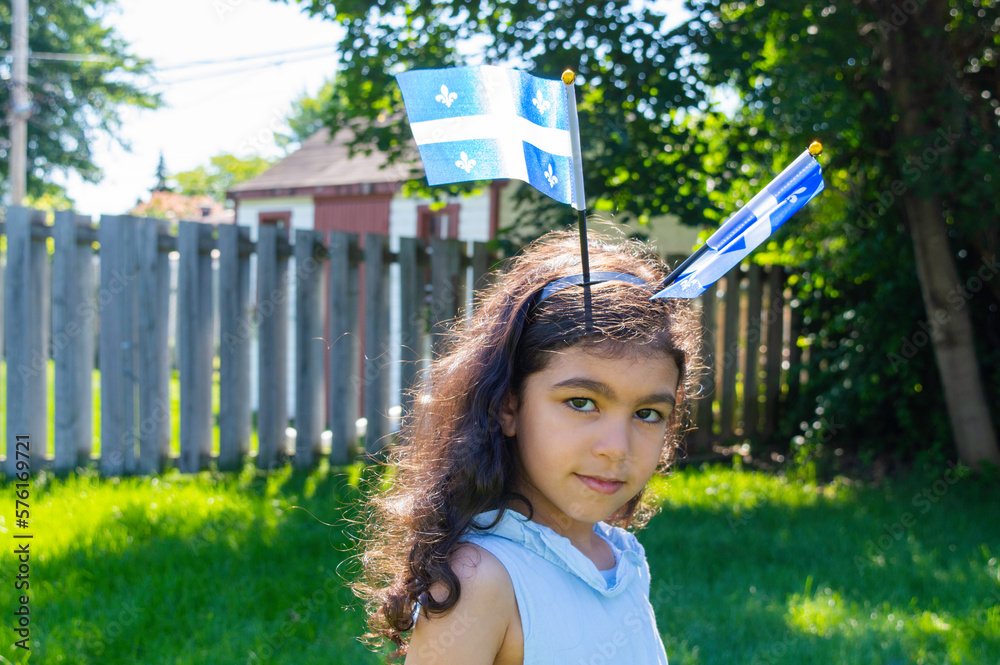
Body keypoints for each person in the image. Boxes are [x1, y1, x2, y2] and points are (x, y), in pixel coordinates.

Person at [351, 226, 703, 664]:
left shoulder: (619, 556)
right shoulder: (480, 580)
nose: (617, 447)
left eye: (647, 413)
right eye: (582, 402)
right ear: (509, 405)